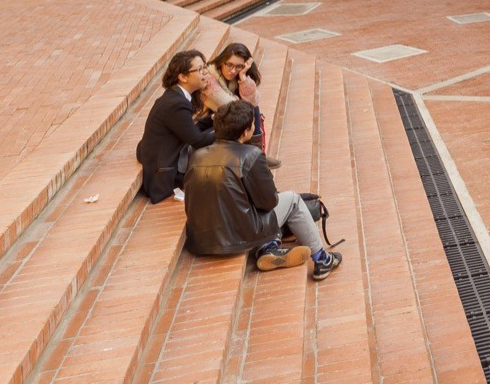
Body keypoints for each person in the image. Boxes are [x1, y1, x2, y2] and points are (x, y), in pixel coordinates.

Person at [183, 100, 343, 279]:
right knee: (292, 200)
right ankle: (322, 259)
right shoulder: (250, 154)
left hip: (200, 239)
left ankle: (269, 248)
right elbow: (269, 202)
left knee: (256, 205)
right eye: (253, 124)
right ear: (246, 132)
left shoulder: (196, 155)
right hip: (238, 237)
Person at [135, 50, 217, 204]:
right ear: (183, 76)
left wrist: (213, 119)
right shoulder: (176, 104)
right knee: (221, 139)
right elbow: (197, 140)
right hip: (165, 171)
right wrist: (227, 129)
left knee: (215, 132)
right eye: (200, 69)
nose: (205, 72)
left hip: (171, 153)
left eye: (204, 67)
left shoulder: (176, 96)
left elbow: (189, 130)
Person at [210, 42, 281, 169]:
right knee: (248, 111)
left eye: (239, 67)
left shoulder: (236, 78)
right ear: (222, 61)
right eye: (229, 65)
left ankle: (257, 155)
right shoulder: (210, 78)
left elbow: (253, 101)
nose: (233, 71)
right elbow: (227, 104)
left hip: (225, 119)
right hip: (207, 124)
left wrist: (243, 77)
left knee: (254, 108)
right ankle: (256, 156)